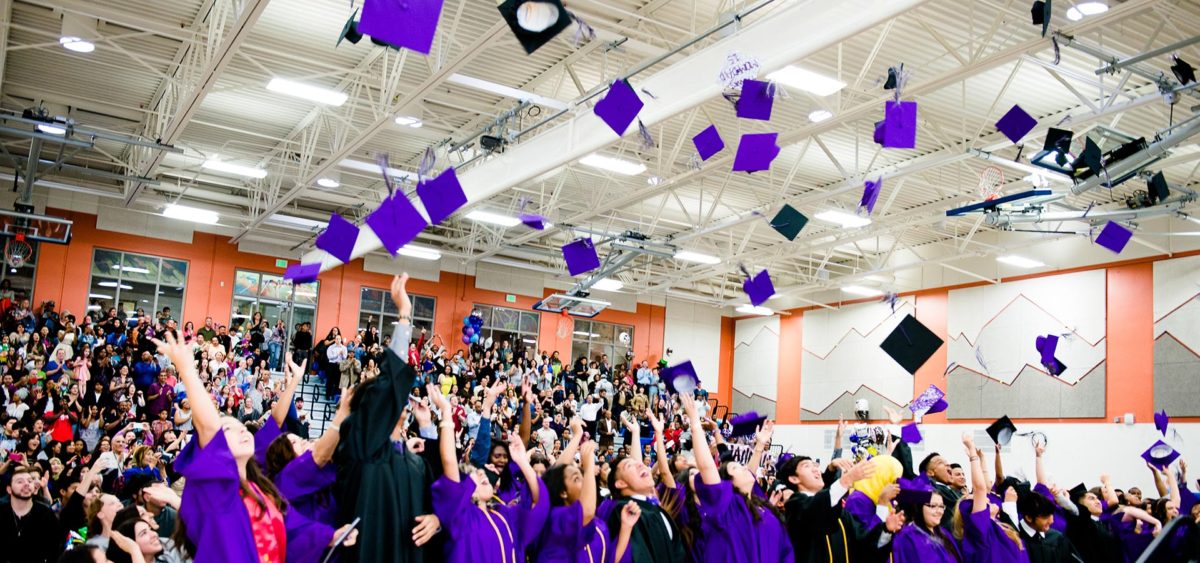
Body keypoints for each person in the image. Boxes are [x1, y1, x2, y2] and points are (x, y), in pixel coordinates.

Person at [153, 332, 355, 563]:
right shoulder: (215, 489)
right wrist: (188, 371)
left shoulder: (262, 492)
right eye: (228, 430)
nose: (241, 430)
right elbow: (209, 428)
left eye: (241, 426)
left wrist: (330, 536)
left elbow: (293, 530)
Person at [333, 274, 442, 562]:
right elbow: (386, 386)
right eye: (385, 399)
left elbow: (441, 492)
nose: (399, 400)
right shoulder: (361, 443)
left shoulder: (413, 460)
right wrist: (404, 318)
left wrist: (437, 519)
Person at [432, 382, 548, 562]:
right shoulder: (461, 516)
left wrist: (524, 462)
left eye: (483, 474)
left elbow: (540, 500)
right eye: (477, 475)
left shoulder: (506, 515)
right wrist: (447, 413)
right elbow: (450, 463)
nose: (482, 474)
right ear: (465, 489)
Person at [681, 393, 793, 562]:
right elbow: (706, 466)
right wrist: (695, 423)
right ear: (727, 483)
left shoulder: (761, 504)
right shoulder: (727, 504)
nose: (744, 468)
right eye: (736, 467)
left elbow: (784, 551)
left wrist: (760, 444)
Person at [952, 434, 1027, 562]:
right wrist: (972, 451)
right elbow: (980, 488)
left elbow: (984, 487)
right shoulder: (980, 530)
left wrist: (982, 459)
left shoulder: (999, 527)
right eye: (979, 499)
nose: (987, 498)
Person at [0, 464, 62, 562]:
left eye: (30, 481)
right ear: (9, 489)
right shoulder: (2, 512)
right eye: (20, 481)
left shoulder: (46, 514)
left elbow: (54, 551)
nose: (27, 484)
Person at [892, 486, 961, 562]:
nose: (939, 511)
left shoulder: (945, 534)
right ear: (919, 508)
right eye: (933, 506)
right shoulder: (907, 537)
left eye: (941, 506)